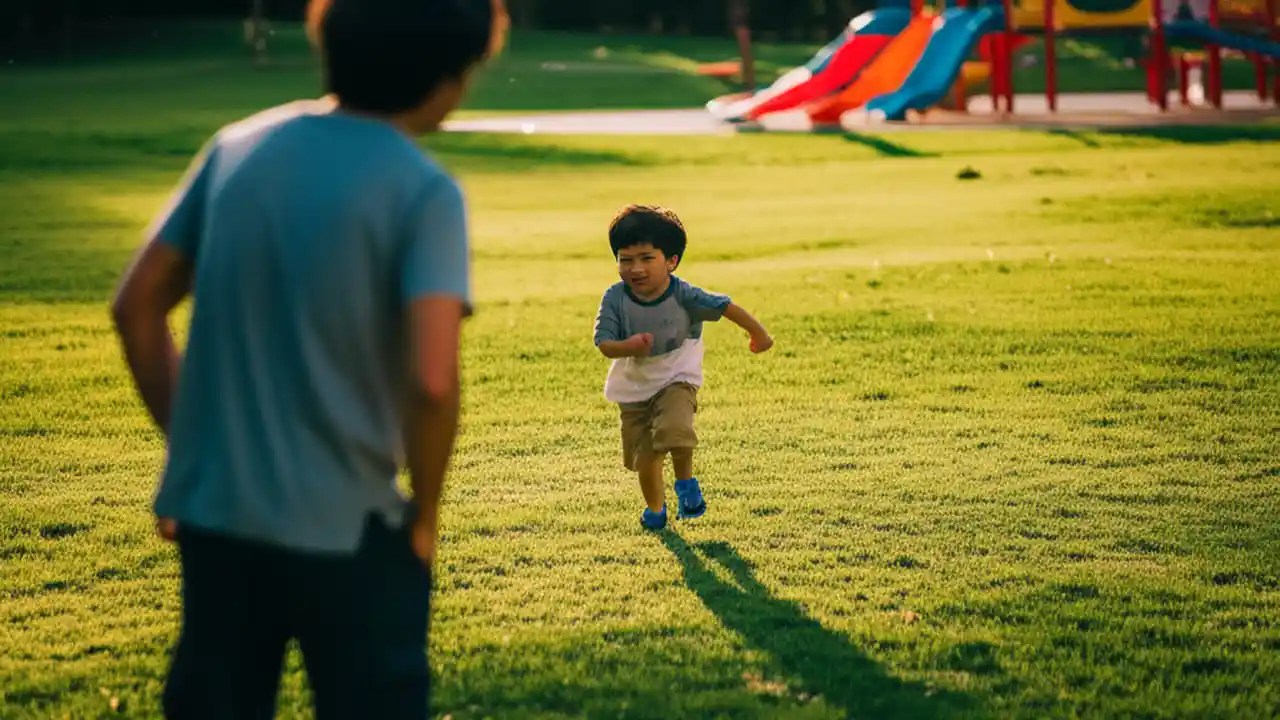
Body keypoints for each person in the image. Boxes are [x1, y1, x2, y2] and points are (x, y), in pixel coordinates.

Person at [110, 0, 506, 716]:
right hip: (351, 530)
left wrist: (199, 454)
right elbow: (431, 379)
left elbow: (136, 308)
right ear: (448, 76)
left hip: (218, 520)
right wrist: (427, 515)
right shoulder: (424, 191)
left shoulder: (237, 148)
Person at [592, 205, 774, 531]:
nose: (635, 268)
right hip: (635, 385)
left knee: (674, 427)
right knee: (644, 458)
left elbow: (725, 305)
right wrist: (628, 347)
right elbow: (604, 343)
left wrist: (758, 334)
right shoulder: (615, 298)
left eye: (647, 258)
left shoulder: (683, 294)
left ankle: (686, 484)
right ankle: (656, 509)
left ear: (671, 261)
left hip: (677, 373)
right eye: (626, 259)